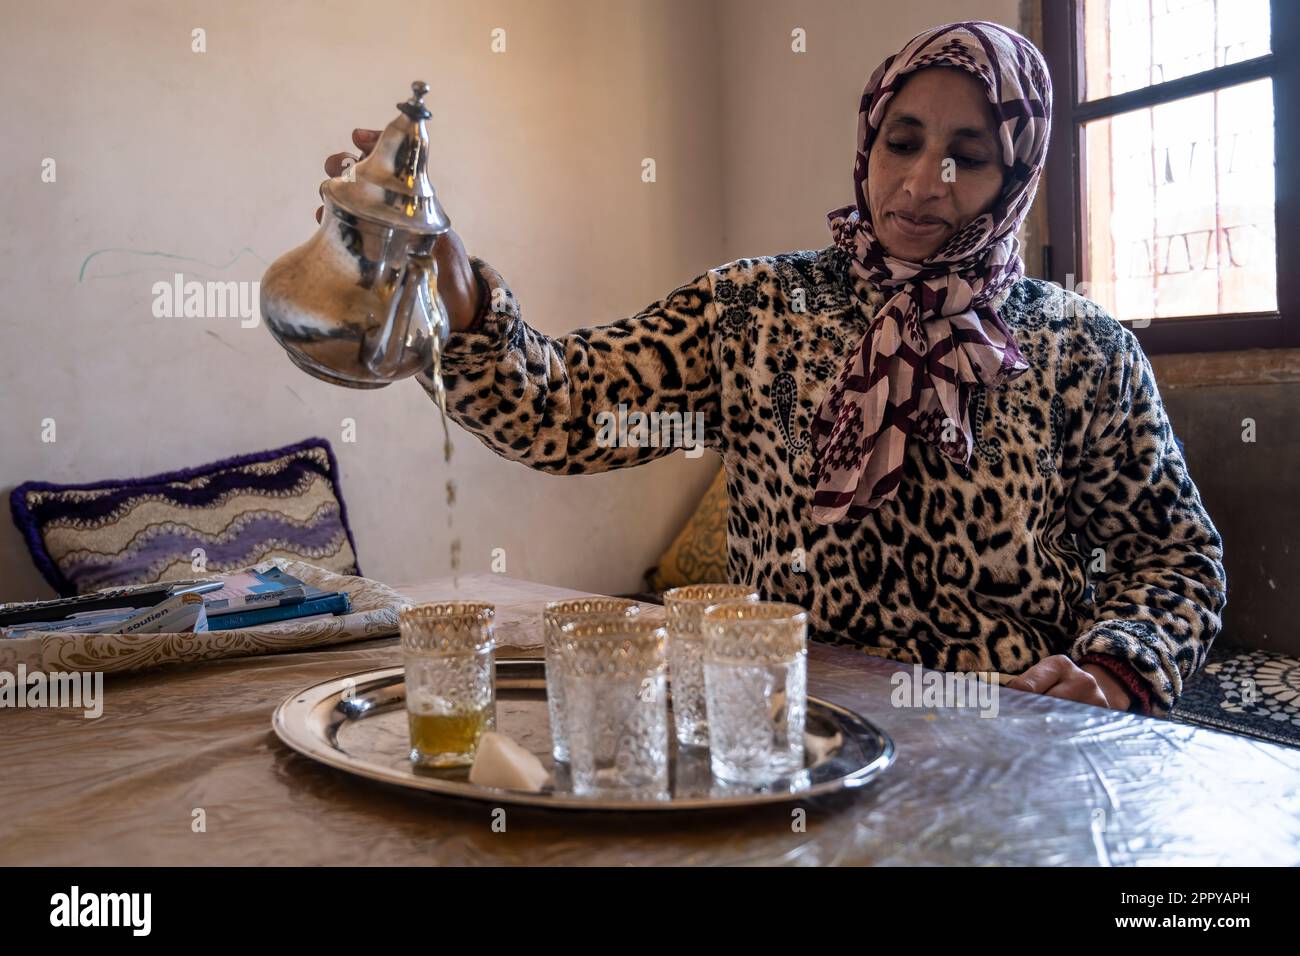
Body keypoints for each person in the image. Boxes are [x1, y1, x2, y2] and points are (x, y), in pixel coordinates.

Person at [323, 20, 1225, 716]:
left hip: (1004, 734)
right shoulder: (753, 308)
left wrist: (1115, 670)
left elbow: (1177, 555)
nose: (919, 182)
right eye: (900, 140)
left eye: (968, 157)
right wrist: (458, 295)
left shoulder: (1084, 351)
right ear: (868, 140)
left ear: (1017, 173)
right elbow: (563, 412)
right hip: (784, 727)